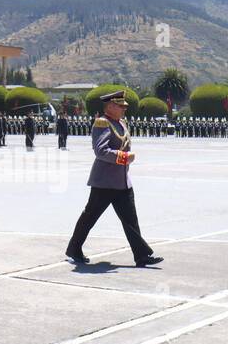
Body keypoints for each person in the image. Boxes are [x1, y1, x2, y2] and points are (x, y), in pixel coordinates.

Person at [65, 89, 162, 267]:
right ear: (110, 106)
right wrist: (124, 157)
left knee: (130, 219)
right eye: (120, 106)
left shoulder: (121, 123)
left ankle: (141, 255)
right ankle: (74, 248)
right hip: (105, 182)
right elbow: (100, 151)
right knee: (90, 217)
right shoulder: (102, 123)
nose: (124, 109)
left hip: (122, 181)